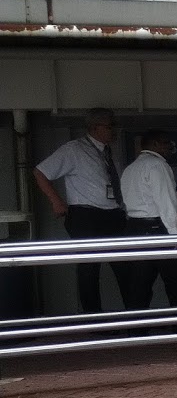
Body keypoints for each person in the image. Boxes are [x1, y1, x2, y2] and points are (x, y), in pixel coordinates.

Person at [32, 108, 135, 312]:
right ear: (94, 128)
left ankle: (134, 317)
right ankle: (93, 321)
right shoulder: (75, 149)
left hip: (113, 214)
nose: (113, 130)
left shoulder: (108, 151)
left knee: (125, 266)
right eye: (109, 126)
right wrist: (57, 201)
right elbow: (40, 172)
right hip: (86, 215)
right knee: (89, 269)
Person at [121, 130, 177, 312]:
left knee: (139, 283)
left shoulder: (130, 168)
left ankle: (136, 331)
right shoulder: (157, 165)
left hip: (134, 228)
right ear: (154, 145)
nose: (170, 147)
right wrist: (176, 236)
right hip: (157, 227)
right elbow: (165, 201)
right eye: (166, 143)